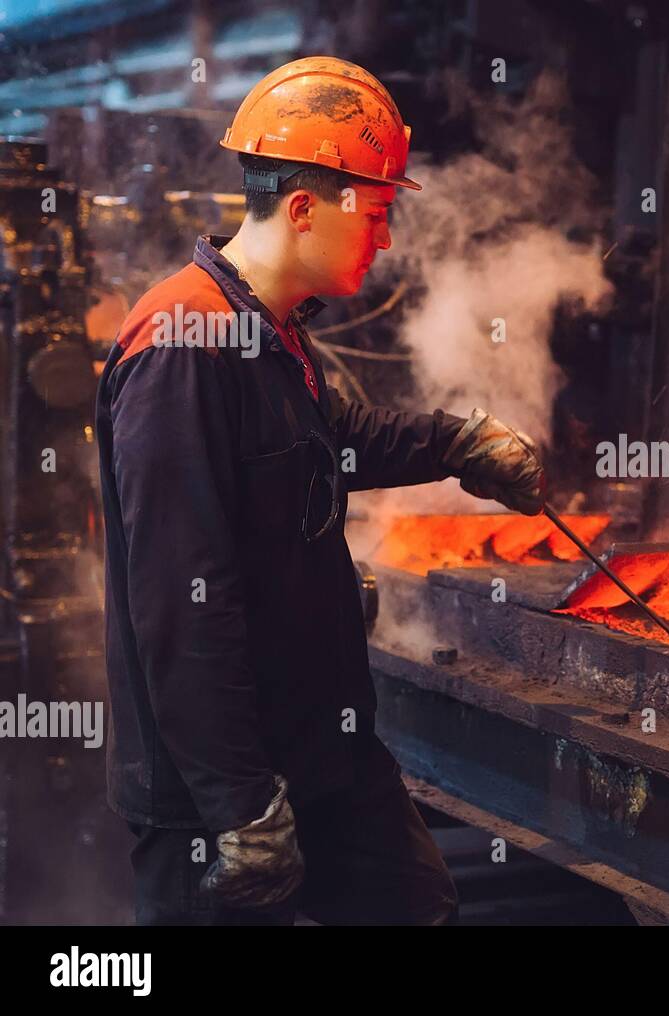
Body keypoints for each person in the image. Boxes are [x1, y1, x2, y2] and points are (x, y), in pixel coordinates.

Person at [94, 56, 546, 925]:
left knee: (412, 905)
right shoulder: (186, 344)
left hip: (319, 754)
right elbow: (181, 604)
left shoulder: (265, 331)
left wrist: (458, 442)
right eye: (374, 214)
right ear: (304, 209)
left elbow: (325, 441)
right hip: (221, 791)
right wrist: (239, 808)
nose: (386, 239)